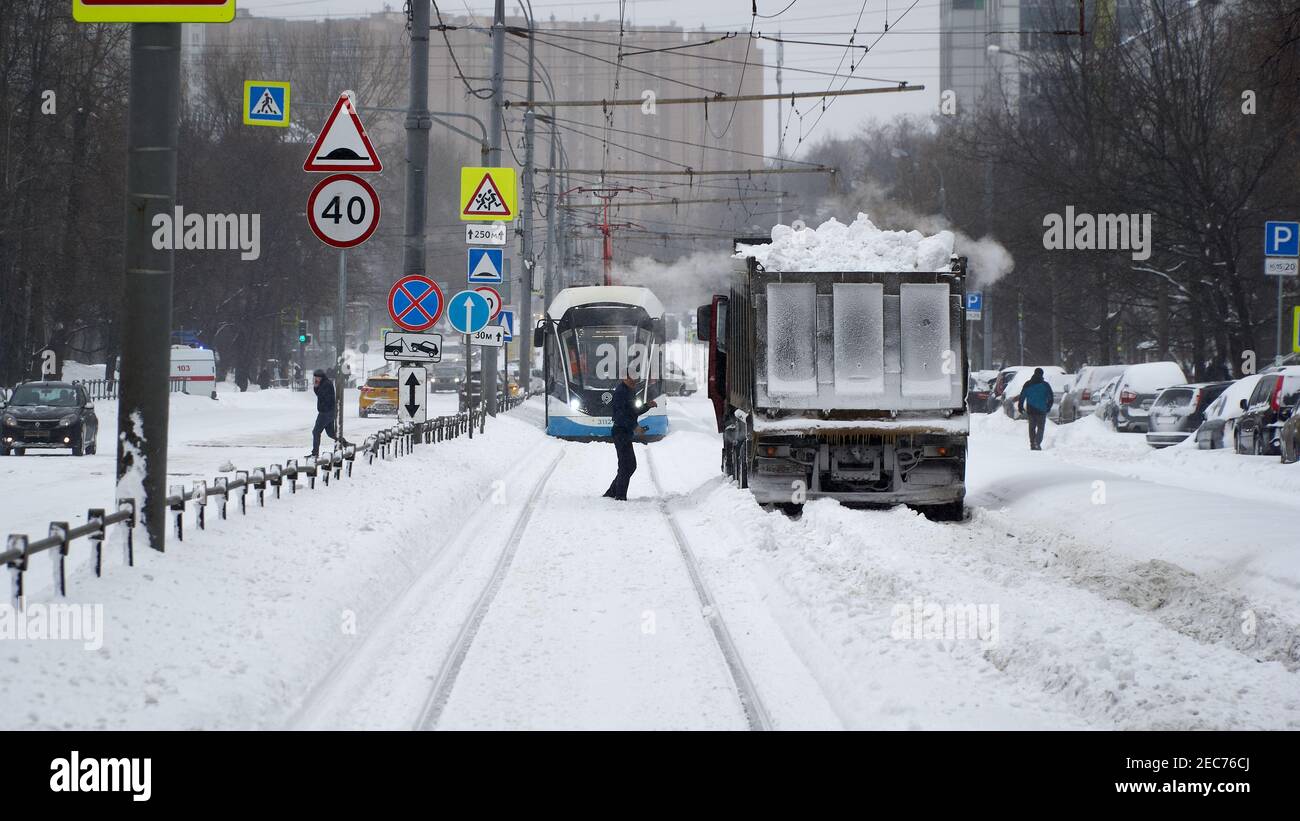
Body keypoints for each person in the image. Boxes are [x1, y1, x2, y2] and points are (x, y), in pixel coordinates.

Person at [603, 371, 657, 500]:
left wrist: (647, 406)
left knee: (628, 465)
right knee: (627, 465)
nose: (635, 382)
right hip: (620, 431)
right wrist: (634, 426)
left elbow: (634, 410)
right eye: (632, 380)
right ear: (625, 378)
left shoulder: (631, 390)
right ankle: (620, 496)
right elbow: (619, 416)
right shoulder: (620, 392)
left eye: (636, 380)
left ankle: (612, 492)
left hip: (625, 432)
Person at [311, 369, 350, 456]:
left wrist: (317, 387)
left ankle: (315, 453)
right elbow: (319, 394)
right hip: (328, 412)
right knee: (331, 433)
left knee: (316, 432)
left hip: (326, 412)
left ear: (321, 377)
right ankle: (347, 444)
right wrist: (316, 386)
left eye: (317, 377)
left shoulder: (326, 384)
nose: (316, 379)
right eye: (315, 377)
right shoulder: (323, 383)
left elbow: (325, 397)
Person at [1016, 367, 1053, 451]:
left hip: (1031, 409)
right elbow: (1050, 397)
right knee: (1041, 428)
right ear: (1042, 374)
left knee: (1031, 427)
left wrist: (1020, 406)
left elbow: (1022, 396)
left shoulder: (1028, 384)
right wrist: (1048, 406)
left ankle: (1032, 443)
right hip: (1042, 410)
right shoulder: (1045, 385)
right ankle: (1037, 442)